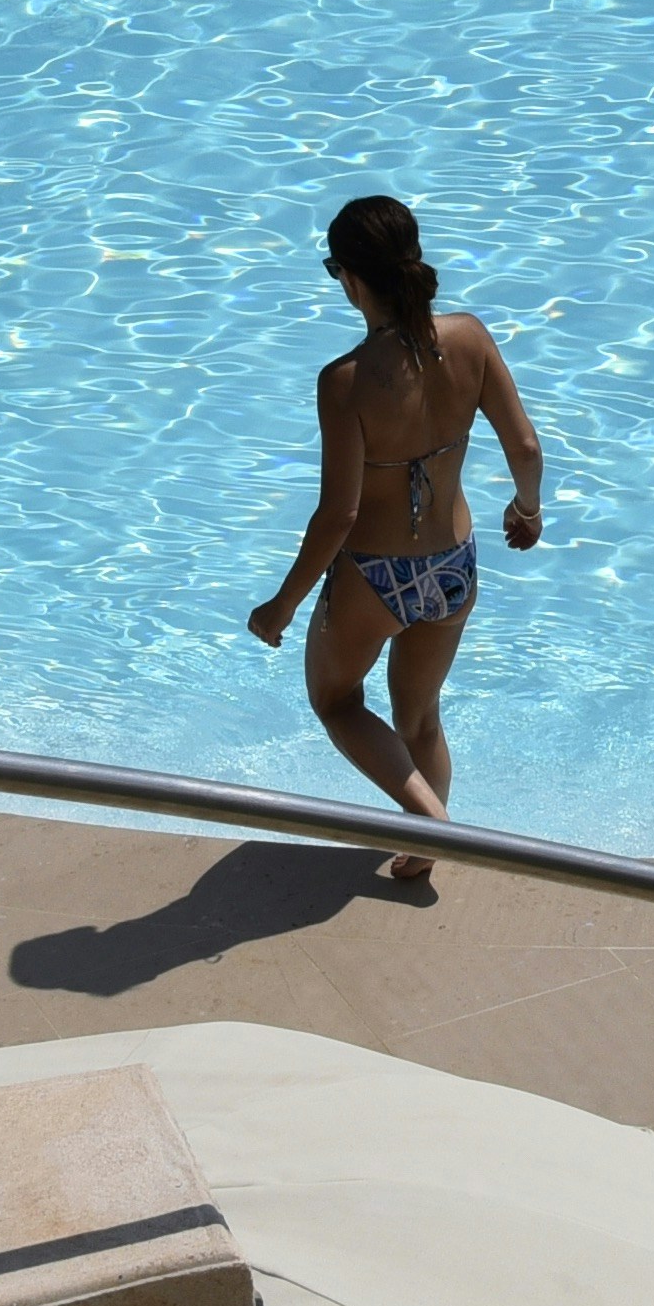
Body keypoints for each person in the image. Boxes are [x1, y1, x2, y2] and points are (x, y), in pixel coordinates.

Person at [243, 194, 548, 894]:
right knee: (419, 716)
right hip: (453, 567)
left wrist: (283, 605)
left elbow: (338, 517)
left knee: (337, 701)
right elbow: (525, 447)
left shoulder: (344, 382)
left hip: (375, 577)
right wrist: (527, 511)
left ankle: (428, 824)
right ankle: (423, 837)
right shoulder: (468, 337)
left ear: (350, 277)